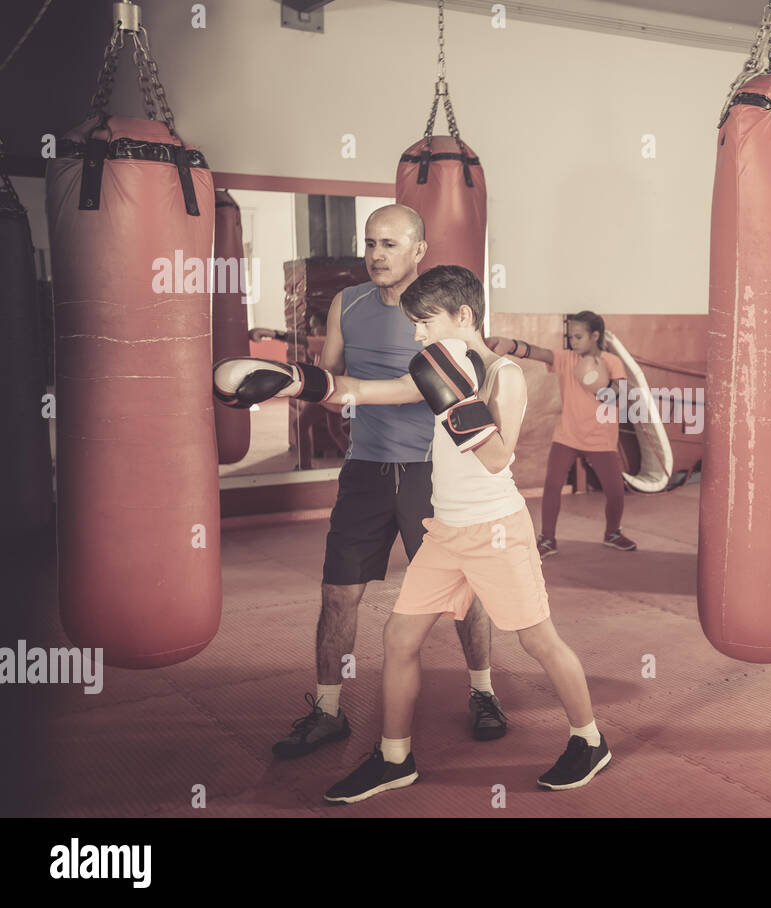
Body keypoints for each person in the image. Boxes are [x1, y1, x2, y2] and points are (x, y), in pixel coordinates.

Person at [214, 265, 612, 800]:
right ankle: (395, 757)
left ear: (463, 316)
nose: (418, 335)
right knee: (399, 636)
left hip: (496, 531)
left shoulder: (504, 376)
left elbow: (496, 458)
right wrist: (295, 381)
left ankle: (589, 741)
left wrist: (453, 401)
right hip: (445, 530)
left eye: (425, 323)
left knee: (538, 640)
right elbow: (367, 390)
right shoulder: (437, 367)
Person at [266, 205, 505, 759]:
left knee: (464, 594)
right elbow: (329, 378)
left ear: (419, 251)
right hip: (366, 471)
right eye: (371, 243)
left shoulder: (442, 313)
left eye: (391, 244)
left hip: (435, 473)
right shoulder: (346, 304)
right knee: (338, 592)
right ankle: (327, 711)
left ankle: (484, 693)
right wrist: (290, 383)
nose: (377, 254)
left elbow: (457, 384)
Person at [485, 312, 637, 559]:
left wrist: (600, 385)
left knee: (615, 491)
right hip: (567, 435)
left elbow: (620, 396)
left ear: (595, 336)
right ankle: (547, 539)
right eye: (571, 336)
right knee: (553, 486)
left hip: (601, 438)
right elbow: (538, 352)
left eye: (579, 336)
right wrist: (510, 344)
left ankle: (612, 533)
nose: (573, 341)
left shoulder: (611, 362)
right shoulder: (567, 358)